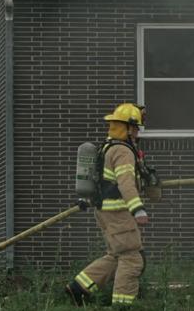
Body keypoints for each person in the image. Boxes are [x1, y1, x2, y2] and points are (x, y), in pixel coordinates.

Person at [66, 103, 149, 307]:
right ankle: (123, 305)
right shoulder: (122, 151)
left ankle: (79, 288)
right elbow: (125, 183)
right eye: (136, 128)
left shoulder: (106, 147)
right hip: (119, 213)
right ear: (127, 128)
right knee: (132, 258)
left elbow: (100, 181)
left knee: (116, 255)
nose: (138, 132)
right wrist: (137, 209)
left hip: (104, 212)